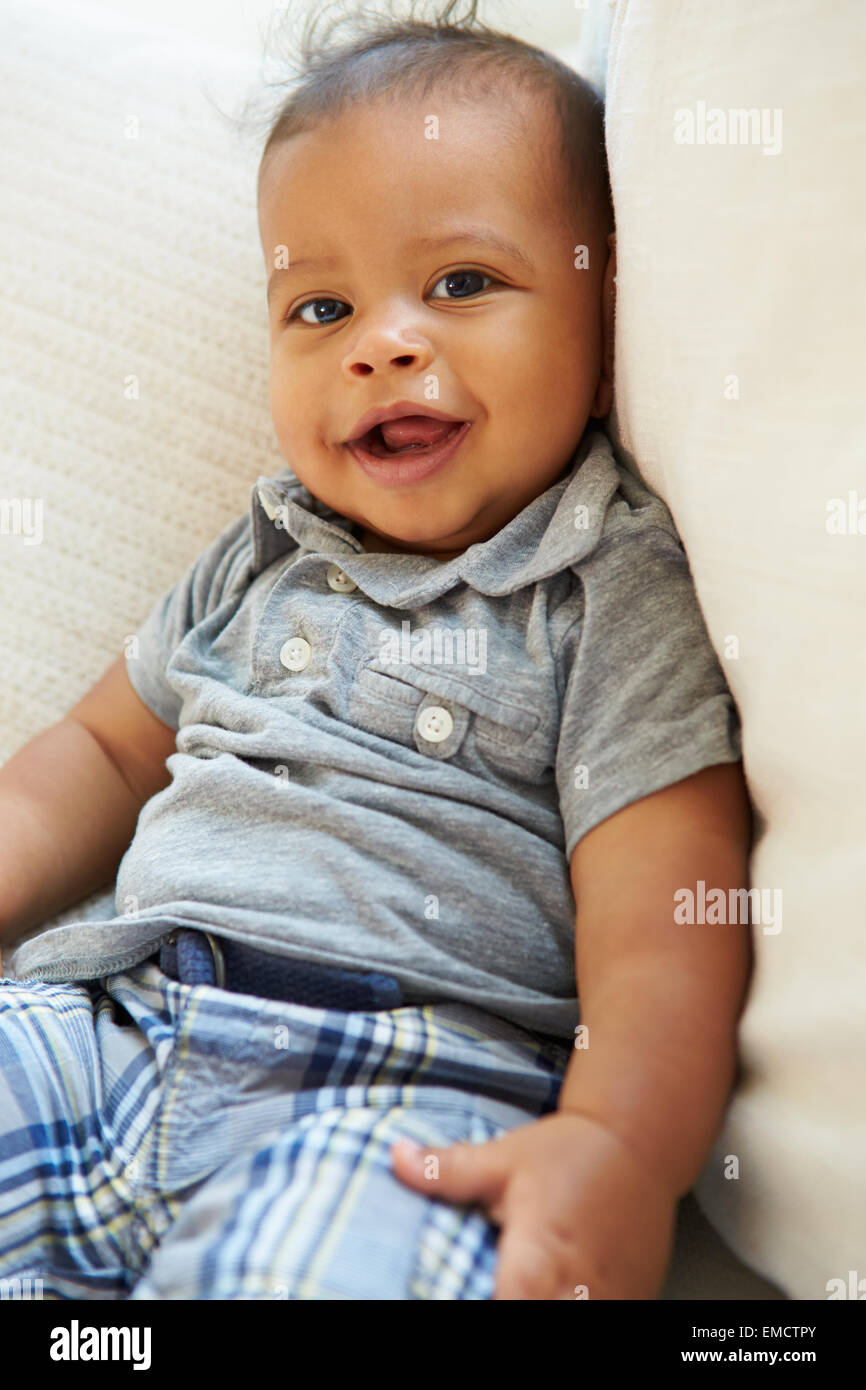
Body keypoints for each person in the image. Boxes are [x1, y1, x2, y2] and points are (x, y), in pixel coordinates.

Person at [0, 0, 751, 1300]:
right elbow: (99, 750)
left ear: (606, 310)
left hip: (401, 1094)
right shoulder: (259, 555)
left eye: (461, 283)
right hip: (110, 1021)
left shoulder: (599, 589)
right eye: (320, 304)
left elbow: (665, 915)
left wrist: (619, 1145)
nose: (380, 341)